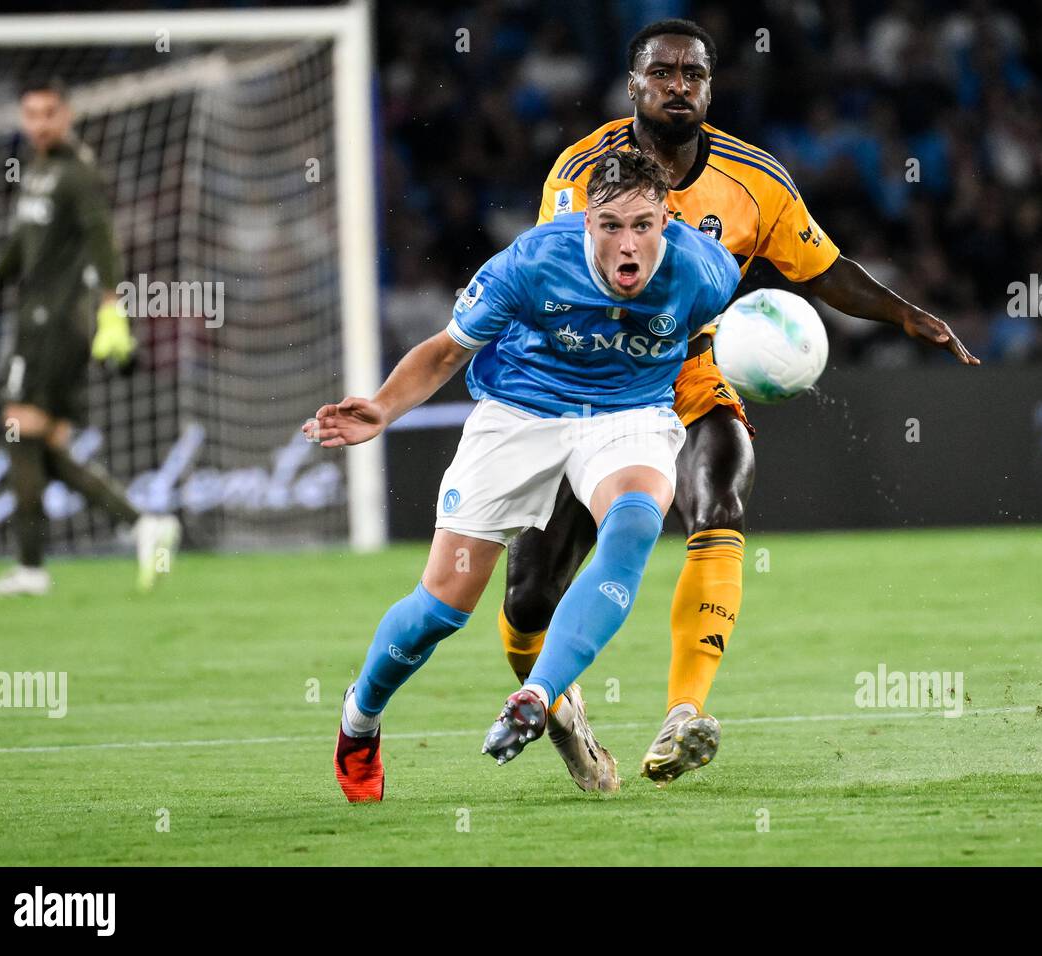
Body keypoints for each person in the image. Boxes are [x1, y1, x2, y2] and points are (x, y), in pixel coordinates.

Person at [500, 18, 981, 786]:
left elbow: (821, 268)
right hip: (589, 384)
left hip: (689, 374)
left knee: (719, 497)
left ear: (710, 87)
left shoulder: (755, 180)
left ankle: (683, 713)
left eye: (693, 74)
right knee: (529, 597)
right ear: (633, 85)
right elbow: (554, 281)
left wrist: (906, 313)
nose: (678, 85)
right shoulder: (580, 171)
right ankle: (562, 712)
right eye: (662, 73)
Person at [312, 148, 739, 802]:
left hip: (628, 415)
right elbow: (447, 351)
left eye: (644, 226)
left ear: (666, 219)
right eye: (611, 226)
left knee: (632, 525)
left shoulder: (706, 272)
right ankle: (359, 717)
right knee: (441, 608)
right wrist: (382, 408)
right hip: (521, 409)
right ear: (586, 220)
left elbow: (700, 340)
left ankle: (538, 696)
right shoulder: (533, 261)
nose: (628, 244)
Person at [0, 78, 179, 600]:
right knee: (43, 444)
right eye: (30, 114)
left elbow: (103, 238)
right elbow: (23, 242)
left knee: (18, 431)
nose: (38, 123)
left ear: (68, 115)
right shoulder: (39, 170)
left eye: (48, 114)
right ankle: (139, 525)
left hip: (55, 322)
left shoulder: (80, 174)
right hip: (39, 316)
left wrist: (113, 306)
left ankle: (44, 562)